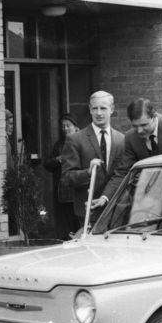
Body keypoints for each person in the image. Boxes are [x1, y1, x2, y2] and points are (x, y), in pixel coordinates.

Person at [60, 91, 125, 231]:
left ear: (112, 109)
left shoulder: (122, 140)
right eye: (95, 108)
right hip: (88, 212)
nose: (99, 113)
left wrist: (106, 197)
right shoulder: (75, 140)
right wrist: (88, 172)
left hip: (115, 211)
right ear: (90, 109)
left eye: (103, 108)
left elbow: (121, 174)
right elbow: (66, 178)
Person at [43, 114, 80, 238]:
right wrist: (58, 159)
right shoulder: (59, 145)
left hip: (79, 187)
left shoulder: (82, 141)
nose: (65, 129)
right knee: (66, 220)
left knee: (79, 218)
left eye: (68, 126)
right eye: (63, 126)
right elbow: (47, 163)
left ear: (75, 127)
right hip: (63, 188)